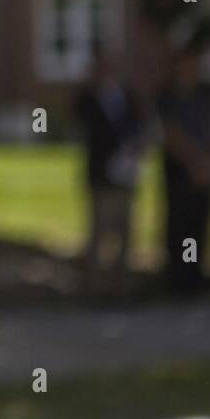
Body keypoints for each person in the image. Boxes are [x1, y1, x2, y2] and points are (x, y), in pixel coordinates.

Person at [74, 48, 148, 294]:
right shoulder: (89, 98)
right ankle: (94, 285)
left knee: (125, 231)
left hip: (126, 174)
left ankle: (121, 284)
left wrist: (135, 148)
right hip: (101, 176)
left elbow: (143, 125)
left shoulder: (127, 95)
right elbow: (79, 117)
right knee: (99, 232)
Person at [158, 40, 210, 295]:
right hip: (180, 172)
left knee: (201, 224)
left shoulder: (206, 94)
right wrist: (195, 161)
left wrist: (209, 162)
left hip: (204, 171)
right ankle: (179, 279)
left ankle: (196, 277)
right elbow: (171, 134)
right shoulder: (168, 95)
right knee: (179, 225)